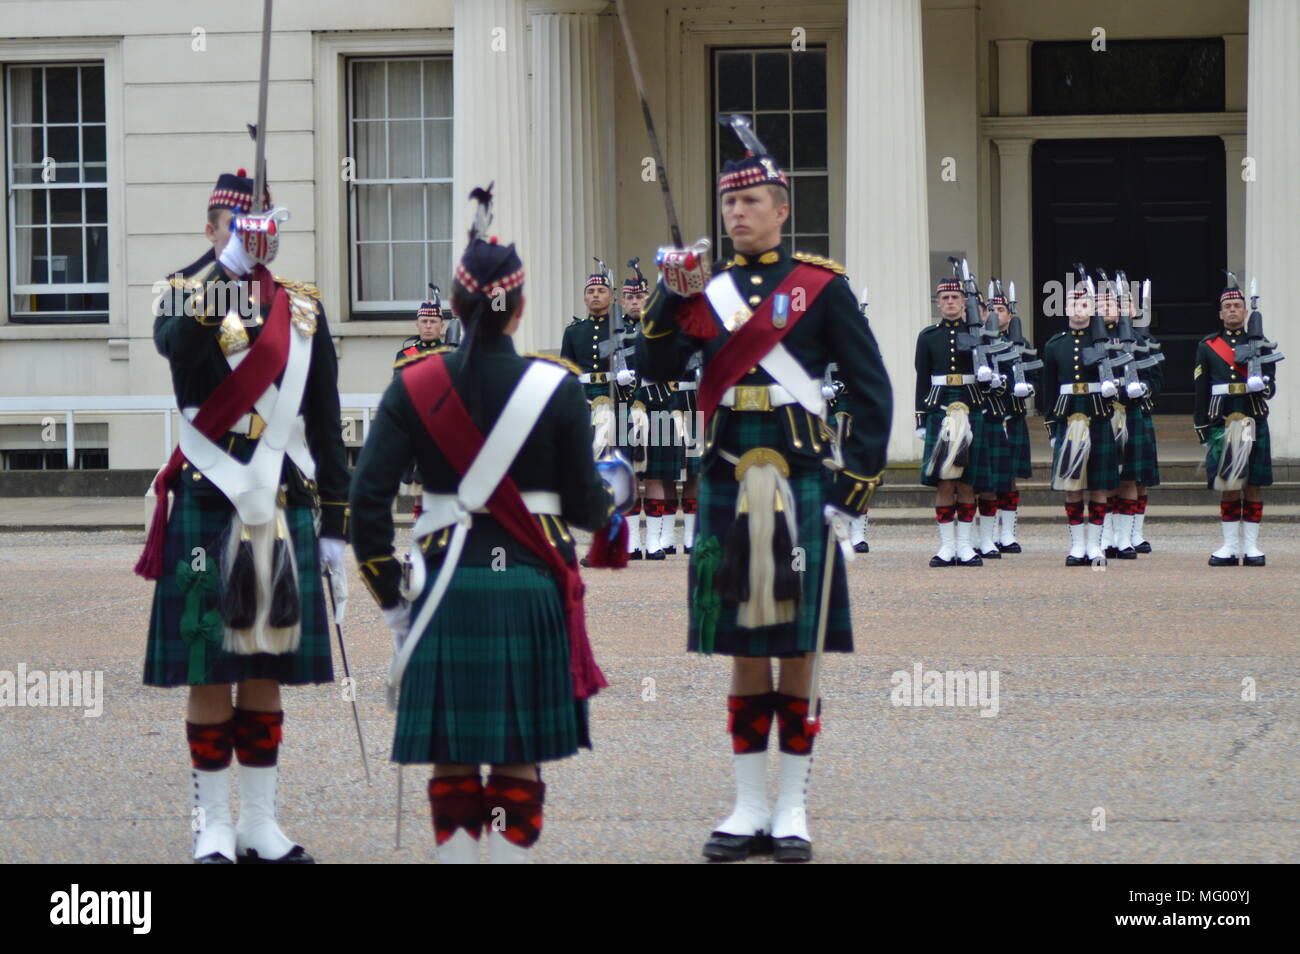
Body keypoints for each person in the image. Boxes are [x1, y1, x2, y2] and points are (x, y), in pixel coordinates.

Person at [637, 122, 891, 862]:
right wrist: (667, 294)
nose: (738, 214)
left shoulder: (822, 288)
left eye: (752, 201)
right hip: (726, 475)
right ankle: (748, 803)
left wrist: (853, 490)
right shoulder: (705, 291)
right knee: (744, 645)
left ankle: (792, 806)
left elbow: (873, 394)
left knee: (798, 650)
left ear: (784, 210)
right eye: (730, 203)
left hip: (799, 479)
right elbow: (654, 368)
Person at [350, 188, 625, 863]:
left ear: (458, 304)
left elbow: (365, 509)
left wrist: (393, 602)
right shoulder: (556, 387)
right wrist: (612, 496)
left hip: (442, 586)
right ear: (520, 306)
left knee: (452, 756)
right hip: (530, 589)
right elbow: (588, 510)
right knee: (514, 759)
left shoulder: (413, 383)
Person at [137, 169, 350, 864]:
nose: (253, 236)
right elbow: (177, 345)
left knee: (265, 664)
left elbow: (324, 429)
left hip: (280, 510)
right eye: (234, 225)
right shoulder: (183, 293)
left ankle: (260, 821)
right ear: (212, 228)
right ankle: (214, 825)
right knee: (207, 666)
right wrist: (227, 267)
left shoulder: (305, 311)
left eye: (260, 224)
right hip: (208, 498)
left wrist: (339, 533)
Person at [914, 277, 1002, 566]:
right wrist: (921, 420)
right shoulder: (928, 336)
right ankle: (946, 545)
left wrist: (992, 377)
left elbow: (991, 378)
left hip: (971, 406)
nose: (950, 302)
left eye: (955, 297)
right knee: (944, 483)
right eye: (945, 298)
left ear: (965, 303)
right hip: (940, 409)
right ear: (938, 303)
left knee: (967, 482)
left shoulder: (979, 333)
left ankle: (965, 545)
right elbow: (922, 380)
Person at [1194, 280, 1279, 567]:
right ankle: (1230, 545)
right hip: (1222, 419)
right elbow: (1201, 390)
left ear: (1245, 312)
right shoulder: (1207, 346)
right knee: (1229, 484)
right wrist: (1202, 428)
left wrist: (1262, 383)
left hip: (1252, 416)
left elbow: (1272, 387)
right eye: (1227, 307)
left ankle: (1252, 546)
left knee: (1253, 485)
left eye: (1237, 306)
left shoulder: (1261, 343)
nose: (1232, 310)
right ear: (1220, 313)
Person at [1039, 281, 1122, 565]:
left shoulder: (1105, 342)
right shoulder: (1055, 344)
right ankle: (1077, 545)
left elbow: (1122, 377)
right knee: (1072, 485)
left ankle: (1096, 546)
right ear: (1065, 308)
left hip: (1097, 415)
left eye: (1084, 304)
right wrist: (1051, 426)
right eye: (1074, 305)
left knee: (1098, 486)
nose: (1079, 310)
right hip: (1068, 416)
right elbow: (1049, 389)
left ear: (1092, 309)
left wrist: (1115, 387)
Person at [563, 271, 644, 557]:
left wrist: (629, 381)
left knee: (622, 469)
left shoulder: (623, 328)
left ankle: (627, 539)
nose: (595, 295)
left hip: (618, 400)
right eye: (590, 291)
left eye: (601, 291)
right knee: (593, 473)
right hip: (586, 404)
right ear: (585, 298)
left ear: (611, 297)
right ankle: (599, 540)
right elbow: (567, 373)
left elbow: (639, 366)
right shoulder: (574, 331)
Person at [988, 290, 1037, 553]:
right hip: (989, 416)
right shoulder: (980, 341)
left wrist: (1027, 388)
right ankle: (987, 532)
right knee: (984, 478)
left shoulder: (1022, 343)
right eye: (991, 310)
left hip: (1013, 413)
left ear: (1009, 315)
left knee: (1010, 478)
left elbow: (1035, 376)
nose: (996, 314)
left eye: (1001, 310)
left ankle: (1007, 532)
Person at [396, 287, 447, 364]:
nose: (428, 326)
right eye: (424, 321)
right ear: (417, 325)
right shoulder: (404, 356)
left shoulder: (450, 353)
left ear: (441, 326)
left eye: (433, 322)